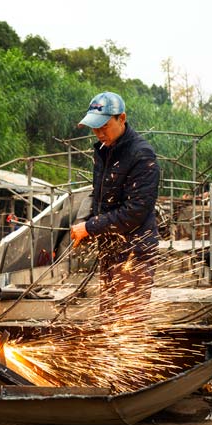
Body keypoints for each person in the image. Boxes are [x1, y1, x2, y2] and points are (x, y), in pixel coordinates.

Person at [69, 92, 160, 308]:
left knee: (128, 321)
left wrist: (90, 227)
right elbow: (101, 198)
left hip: (134, 252)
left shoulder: (142, 155)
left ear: (122, 118)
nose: (99, 133)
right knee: (109, 317)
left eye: (104, 126)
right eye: (95, 127)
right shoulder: (104, 151)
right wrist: (88, 226)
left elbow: (134, 212)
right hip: (110, 248)